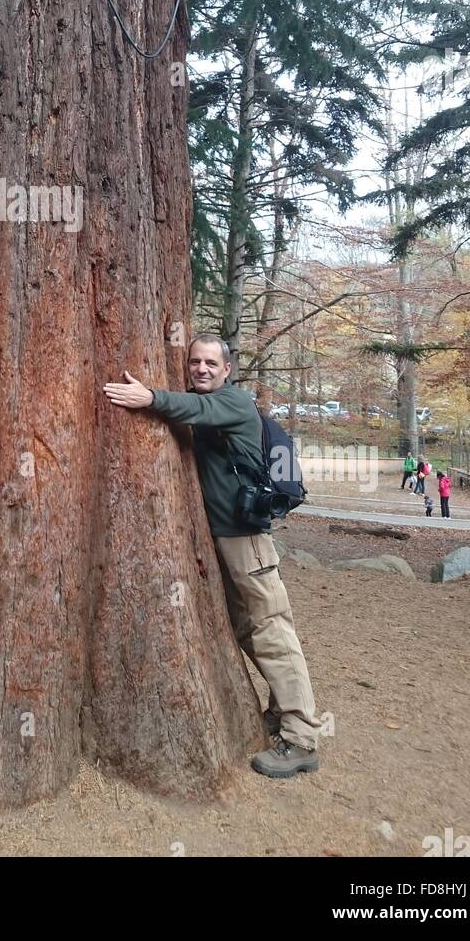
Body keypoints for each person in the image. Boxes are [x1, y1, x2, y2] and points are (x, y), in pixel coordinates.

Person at [103, 333, 322, 780]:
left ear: (227, 370)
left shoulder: (233, 402)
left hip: (248, 542)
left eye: (210, 363)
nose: (201, 369)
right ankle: (282, 709)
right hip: (224, 542)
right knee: (248, 630)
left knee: (272, 630)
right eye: (195, 362)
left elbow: (195, 409)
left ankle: (302, 739)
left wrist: (149, 397)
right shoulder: (208, 408)